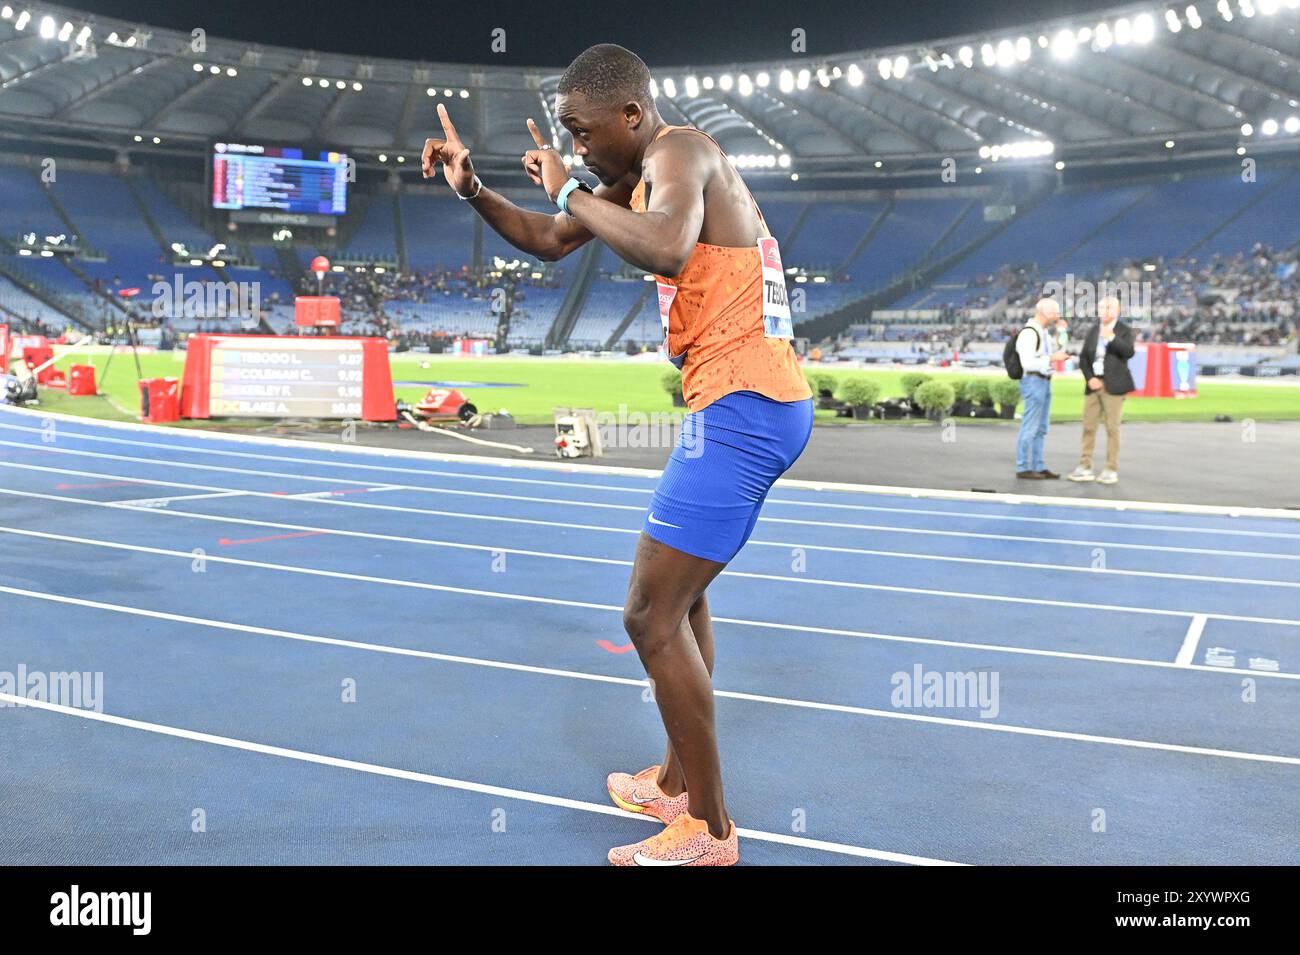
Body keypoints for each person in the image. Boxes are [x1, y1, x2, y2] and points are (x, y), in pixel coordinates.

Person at [422, 43, 812, 866]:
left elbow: (667, 247)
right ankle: (676, 781)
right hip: (742, 401)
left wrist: (567, 182)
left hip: (745, 404)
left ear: (630, 115)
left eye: (583, 131)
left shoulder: (680, 151)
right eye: (570, 134)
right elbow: (553, 239)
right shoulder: (639, 173)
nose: (579, 146)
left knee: (647, 614)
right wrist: (477, 191)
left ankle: (709, 830)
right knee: (682, 600)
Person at [1068, 296, 1135, 484]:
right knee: (1088, 427)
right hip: (1093, 385)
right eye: (1101, 307)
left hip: (1113, 386)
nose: (1104, 311)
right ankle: (1085, 466)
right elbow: (1083, 359)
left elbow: (1128, 352)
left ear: (1117, 311)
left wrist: (1111, 338)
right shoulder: (1093, 331)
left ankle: (1110, 468)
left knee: (1112, 428)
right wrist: (1090, 378)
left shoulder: (1124, 331)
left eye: (1108, 307)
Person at [1015, 297, 1069, 479]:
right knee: (1030, 426)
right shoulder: (1029, 333)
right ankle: (1023, 466)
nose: (1057, 316)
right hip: (1033, 381)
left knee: (1041, 427)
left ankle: (1038, 465)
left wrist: (1062, 332)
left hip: (1044, 381)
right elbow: (1028, 363)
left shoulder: (1044, 332)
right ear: (1045, 312)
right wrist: (1052, 359)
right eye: (1055, 312)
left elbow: (1059, 349)